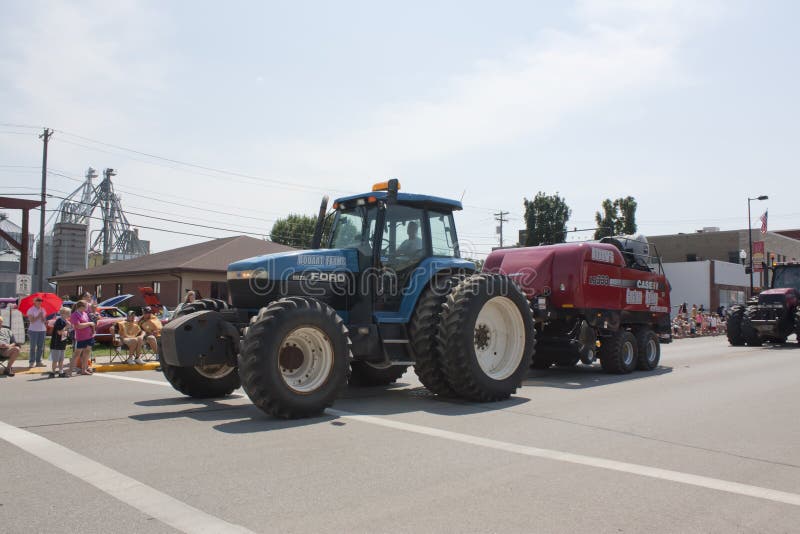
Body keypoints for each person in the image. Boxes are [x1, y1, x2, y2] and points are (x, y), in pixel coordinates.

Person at [69, 300, 95, 376]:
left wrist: (92, 329)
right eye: (86, 306)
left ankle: (84, 370)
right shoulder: (74, 315)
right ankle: (70, 371)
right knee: (77, 354)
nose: (87, 307)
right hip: (81, 337)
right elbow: (78, 326)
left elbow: (90, 323)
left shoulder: (85, 314)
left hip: (89, 336)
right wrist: (89, 323)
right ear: (81, 307)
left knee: (87, 353)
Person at [26, 296, 47, 367]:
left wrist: (43, 318)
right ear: (34, 301)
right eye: (38, 300)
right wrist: (38, 316)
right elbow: (31, 321)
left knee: (40, 347)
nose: (39, 302)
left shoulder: (43, 309)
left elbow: (44, 321)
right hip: (33, 330)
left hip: (42, 330)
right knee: (33, 347)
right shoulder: (31, 310)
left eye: (41, 300)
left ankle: (38, 362)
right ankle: (31, 362)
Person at [50, 307, 71, 377]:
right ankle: (52, 372)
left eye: (69, 313)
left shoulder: (65, 321)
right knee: (55, 359)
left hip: (62, 343)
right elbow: (59, 332)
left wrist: (69, 327)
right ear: (62, 314)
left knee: (61, 359)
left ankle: (61, 372)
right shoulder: (59, 321)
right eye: (67, 313)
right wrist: (66, 327)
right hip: (56, 343)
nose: (69, 315)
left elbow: (65, 332)